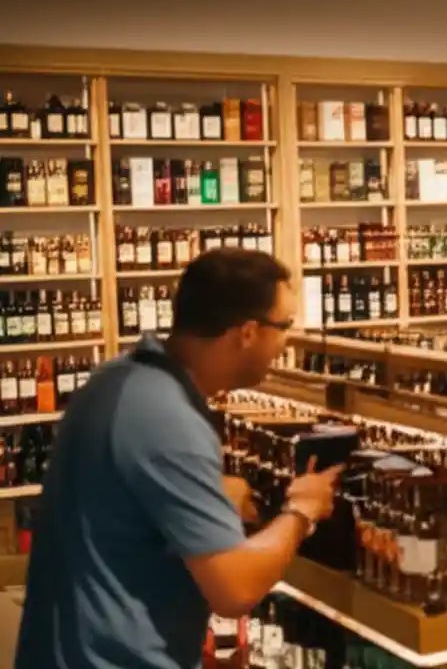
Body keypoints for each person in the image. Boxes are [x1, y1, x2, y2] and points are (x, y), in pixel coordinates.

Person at [16, 248, 344, 669]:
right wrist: (302, 510)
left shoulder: (121, 379)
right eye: (284, 326)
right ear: (247, 332)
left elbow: (122, 504)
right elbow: (235, 590)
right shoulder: (169, 418)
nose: (287, 342)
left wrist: (214, 492)